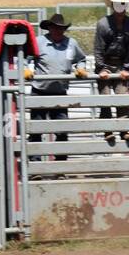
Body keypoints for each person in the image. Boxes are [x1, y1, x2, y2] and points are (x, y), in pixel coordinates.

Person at [29, 12, 88, 163]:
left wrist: (80, 67)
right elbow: (24, 57)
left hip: (60, 93)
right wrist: (25, 69)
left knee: (62, 129)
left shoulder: (71, 43)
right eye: (55, 28)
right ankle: (35, 164)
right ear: (49, 28)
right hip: (39, 92)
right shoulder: (38, 42)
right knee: (36, 129)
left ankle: (60, 162)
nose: (58, 31)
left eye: (61, 28)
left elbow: (81, 58)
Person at [94, 0, 129, 145]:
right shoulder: (103, 24)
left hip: (121, 65)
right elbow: (98, 48)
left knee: (122, 97)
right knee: (105, 98)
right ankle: (108, 130)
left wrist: (127, 68)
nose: (120, 8)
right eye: (118, 5)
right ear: (113, 6)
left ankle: (124, 129)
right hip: (106, 64)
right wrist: (101, 68)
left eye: (123, 5)